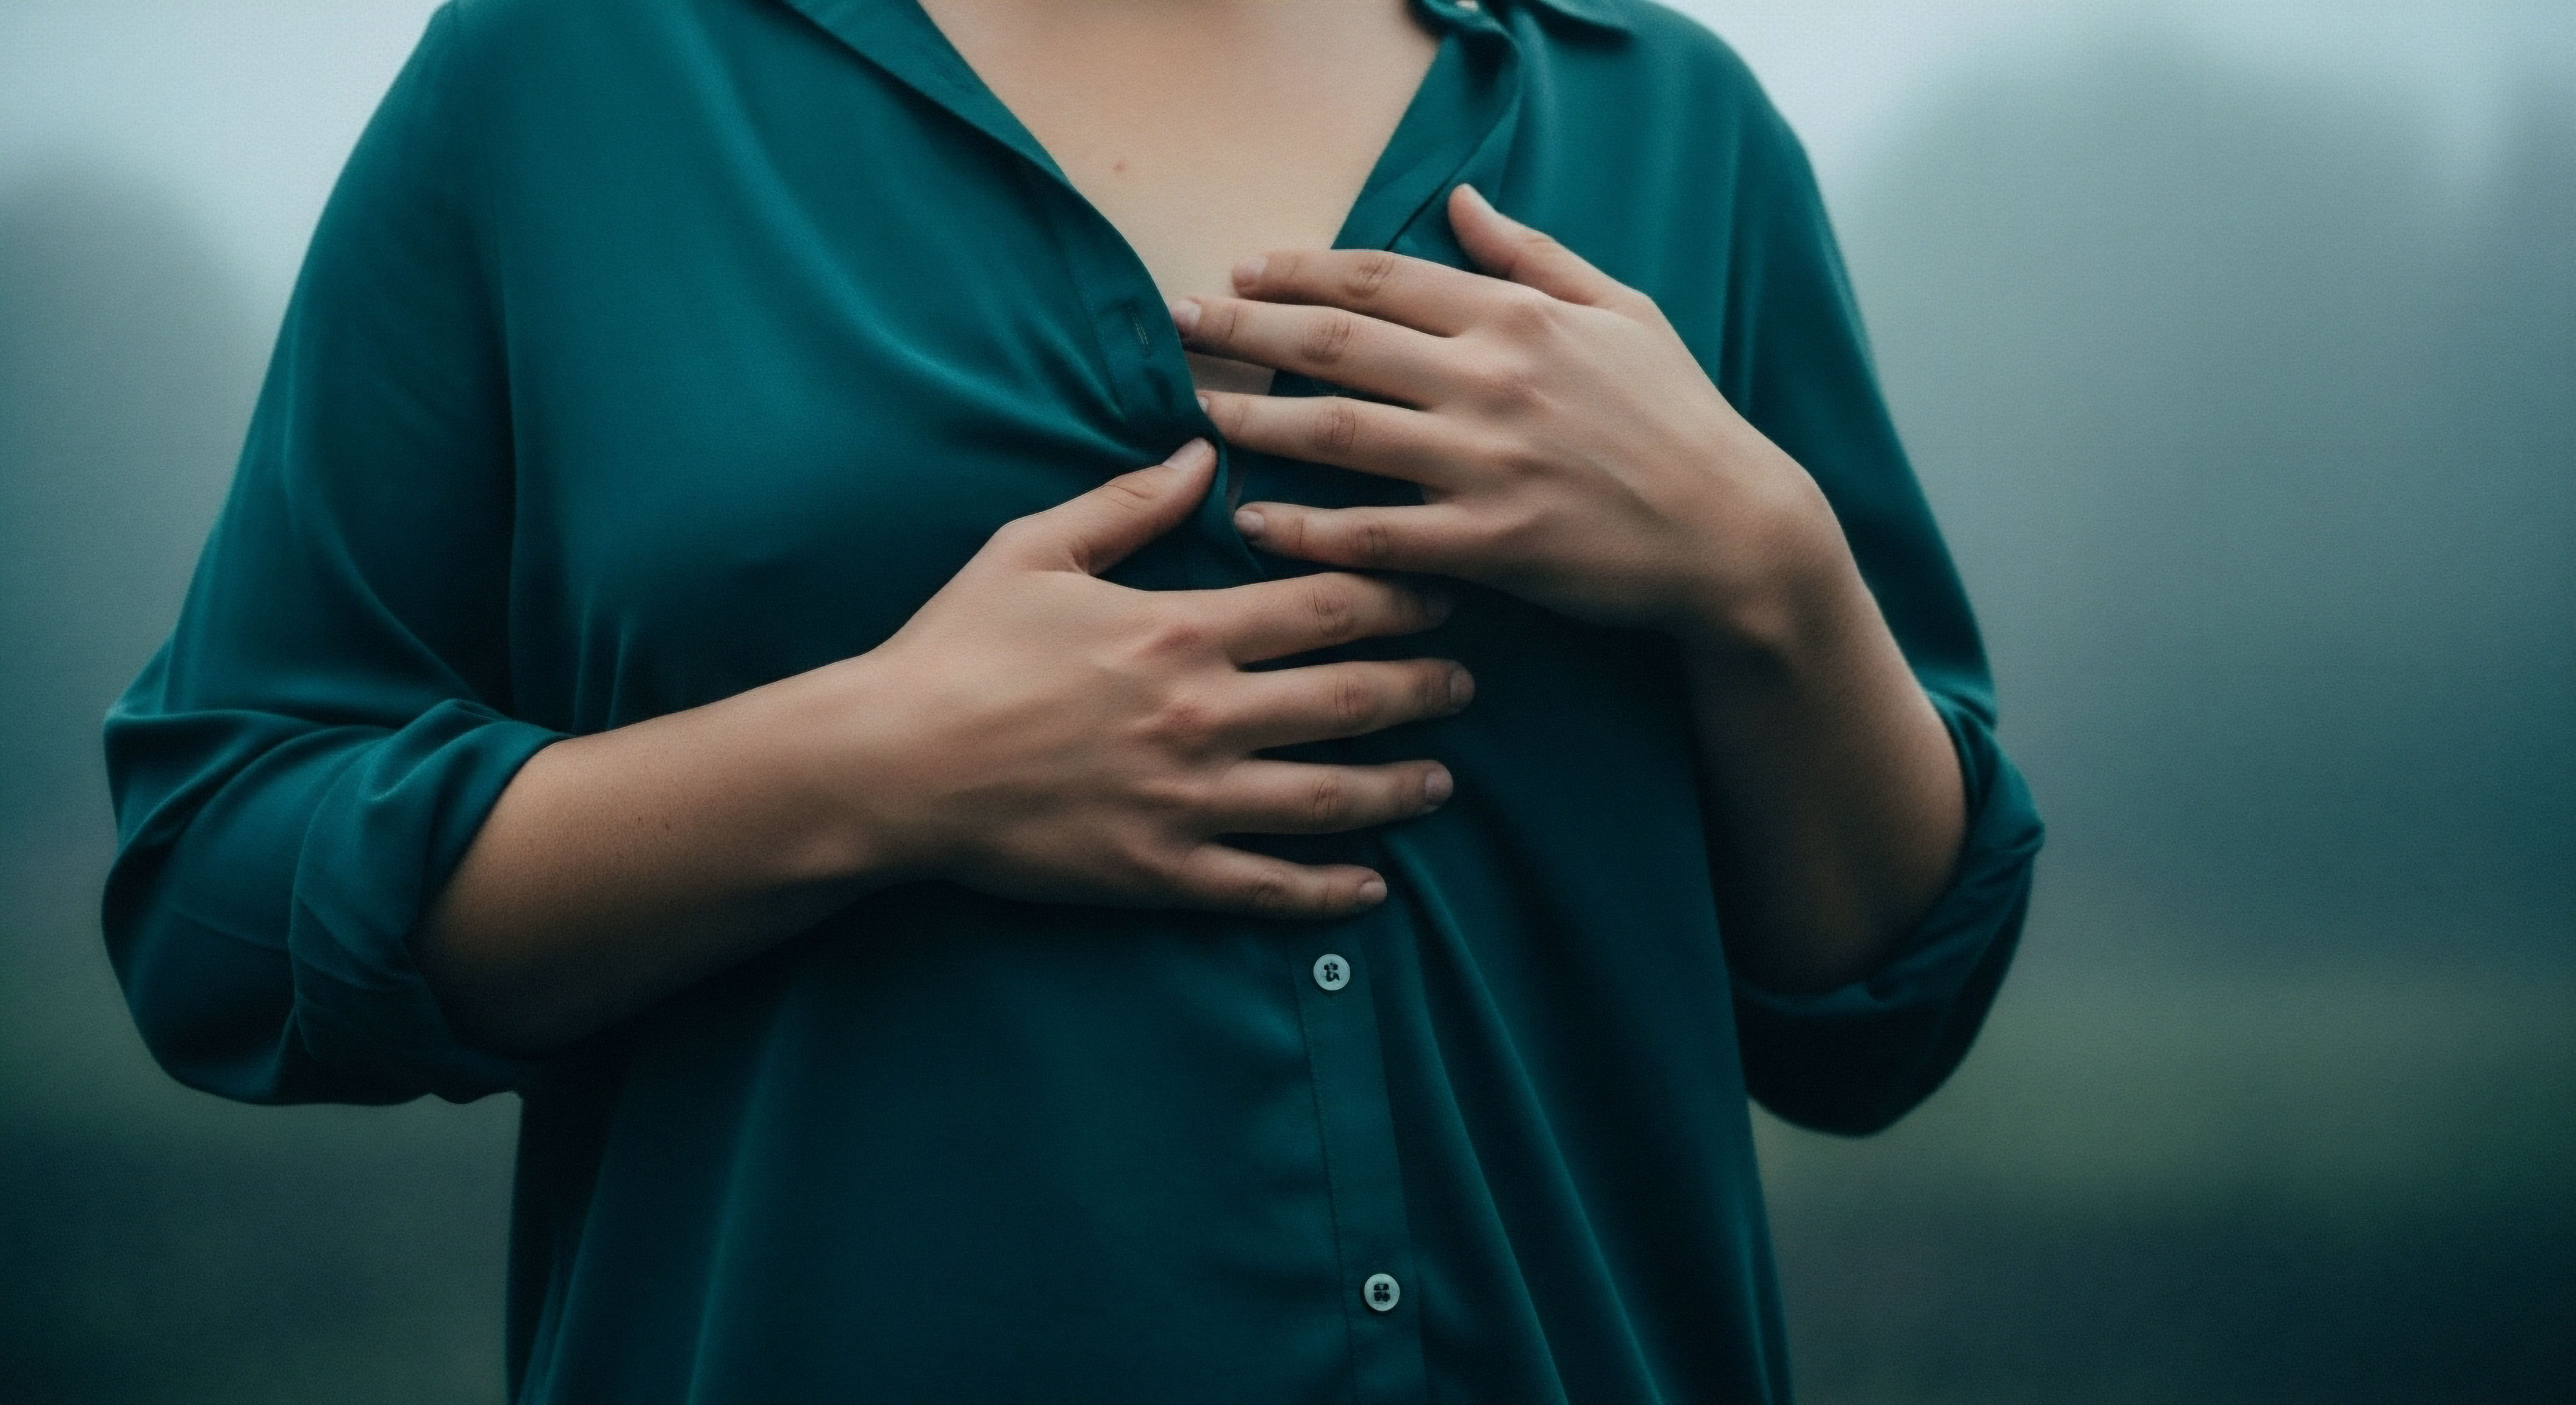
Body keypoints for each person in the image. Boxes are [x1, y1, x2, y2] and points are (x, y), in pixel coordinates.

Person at [101, 0, 2044, 1399]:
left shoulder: (1673, 122)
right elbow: (218, 901)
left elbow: (1886, 1005)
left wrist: (1768, 570)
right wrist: (869, 769)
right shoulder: (555, 82)